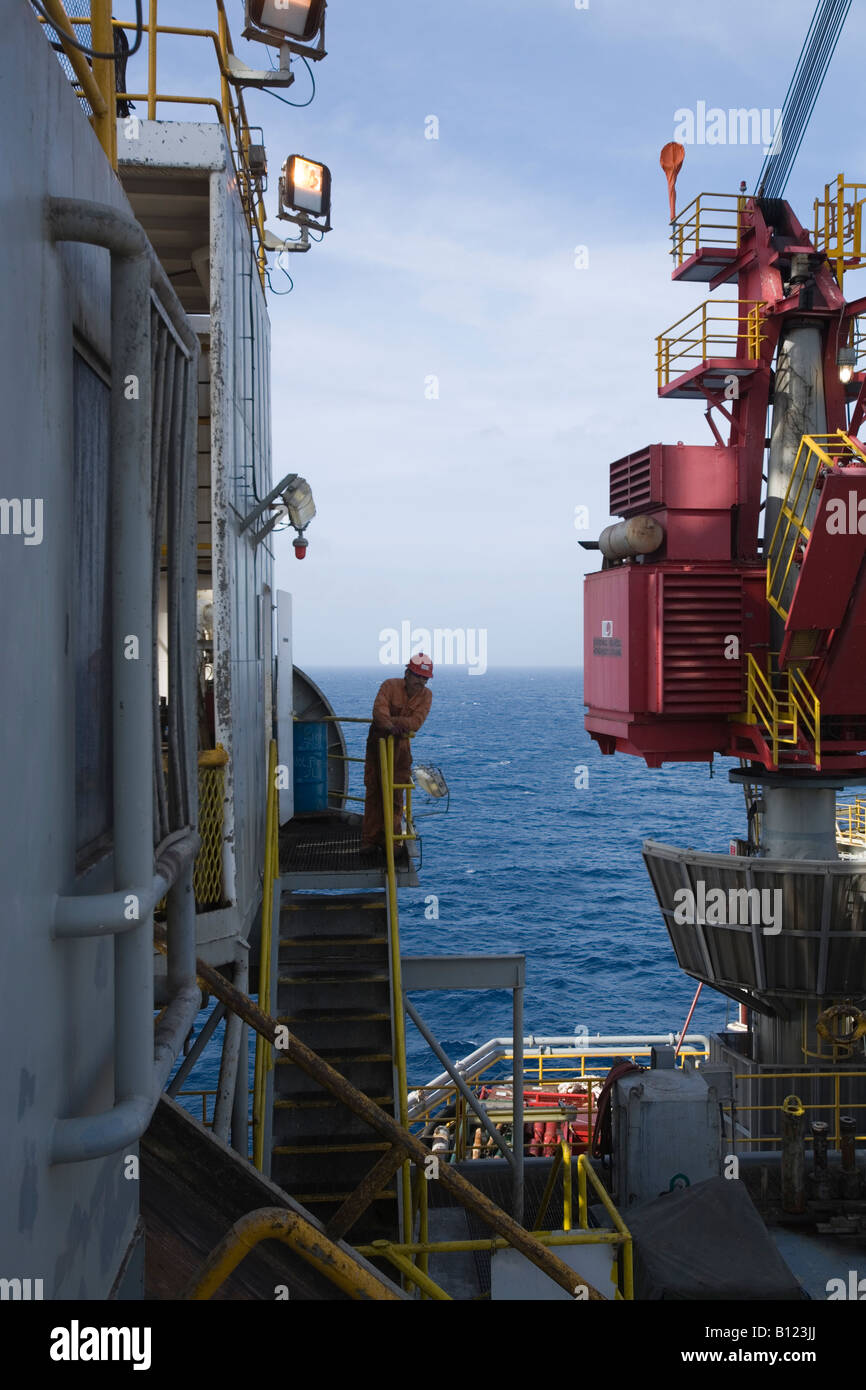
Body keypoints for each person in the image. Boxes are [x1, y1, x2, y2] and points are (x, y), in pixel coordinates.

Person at [361, 654, 434, 850]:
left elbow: (416, 723)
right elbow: (378, 713)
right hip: (378, 746)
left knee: (396, 794)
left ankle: (391, 843)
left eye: (424, 678)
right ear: (407, 673)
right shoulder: (389, 686)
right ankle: (369, 841)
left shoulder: (426, 696)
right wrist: (393, 727)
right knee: (374, 791)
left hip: (400, 751)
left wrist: (392, 723)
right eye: (418, 676)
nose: (421, 681)